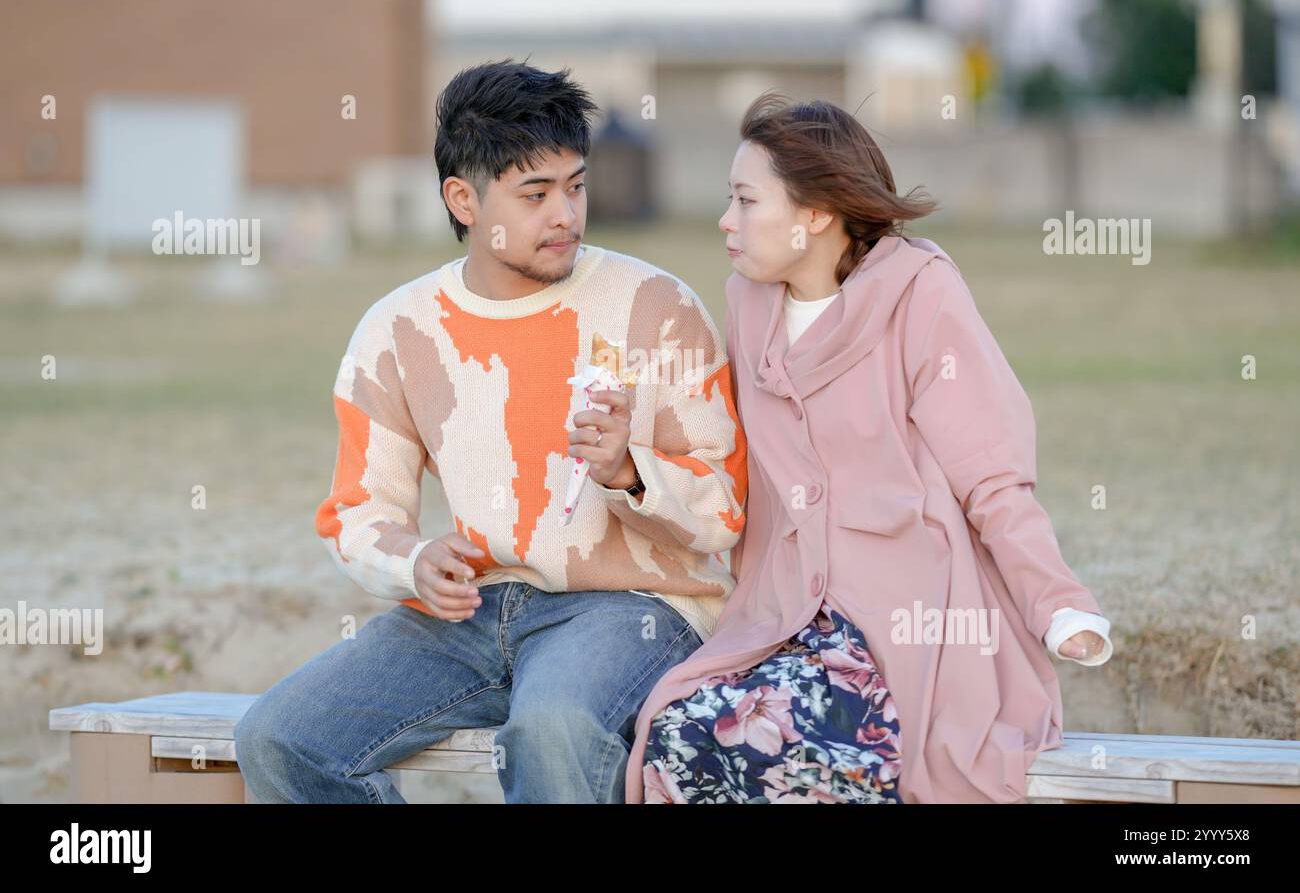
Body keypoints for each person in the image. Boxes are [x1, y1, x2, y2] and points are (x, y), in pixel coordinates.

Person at [235, 59, 748, 803]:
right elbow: (356, 511)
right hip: (469, 612)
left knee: (552, 729)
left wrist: (630, 474)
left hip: (635, 606)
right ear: (463, 199)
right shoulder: (398, 330)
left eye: (575, 186)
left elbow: (727, 503)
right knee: (278, 739)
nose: (566, 215)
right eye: (535, 195)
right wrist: (412, 561)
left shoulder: (656, 306)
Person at [625, 93, 1113, 804]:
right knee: (674, 737)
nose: (726, 221)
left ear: (815, 213)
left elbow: (993, 474)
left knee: (757, 745)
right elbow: (724, 459)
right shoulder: (747, 300)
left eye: (745, 200)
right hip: (786, 617)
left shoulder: (921, 293)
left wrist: (1060, 605)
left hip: (904, 624)